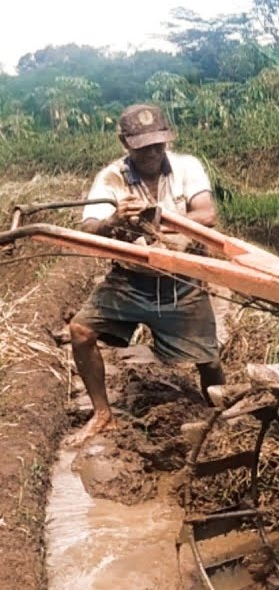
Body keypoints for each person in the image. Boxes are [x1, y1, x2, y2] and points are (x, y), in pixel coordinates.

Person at [67, 104, 224, 446]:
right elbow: (91, 228)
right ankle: (103, 415)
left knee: (209, 360)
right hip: (130, 279)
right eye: (143, 147)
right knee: (80, 331)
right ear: (125, 143)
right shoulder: (110, 178)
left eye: (158, 144)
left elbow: (206, 215)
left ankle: (221, 420)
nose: (153, 153)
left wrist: (157, 215)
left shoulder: (187, 166)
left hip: (181, 280)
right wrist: (114, 221)